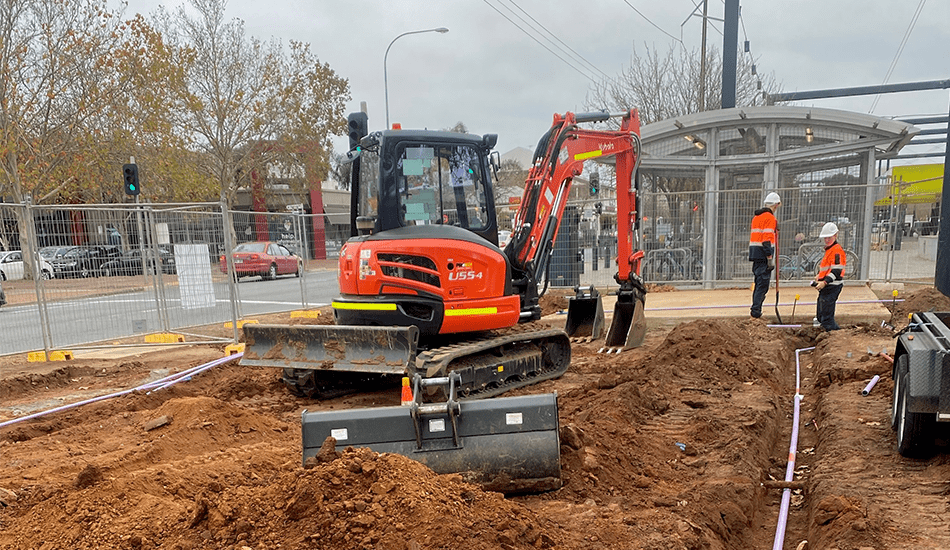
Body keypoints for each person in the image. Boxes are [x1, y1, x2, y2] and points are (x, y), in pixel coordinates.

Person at [748, 192, 781, 319]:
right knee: (762, 284)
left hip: (756, 254)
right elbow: (766, 239)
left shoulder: (757, 217)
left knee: (758, 283)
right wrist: (769, 258)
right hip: (763, 255)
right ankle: (756, 312)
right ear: (776, 205)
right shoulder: (769, 218)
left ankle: (756, 310)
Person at [812, 222, 846, 331]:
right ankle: (829, 333)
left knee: (826, 317)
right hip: (827, 286)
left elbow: (836, 271)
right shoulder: (830, 249)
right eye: (825, 238)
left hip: (832, 286)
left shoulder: (836, 251)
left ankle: (834, 334)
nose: (826, 240)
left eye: (829, 237)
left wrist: (824, 282)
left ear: (836, 235)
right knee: (821, 315)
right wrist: (820, 276)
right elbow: (828, 268)